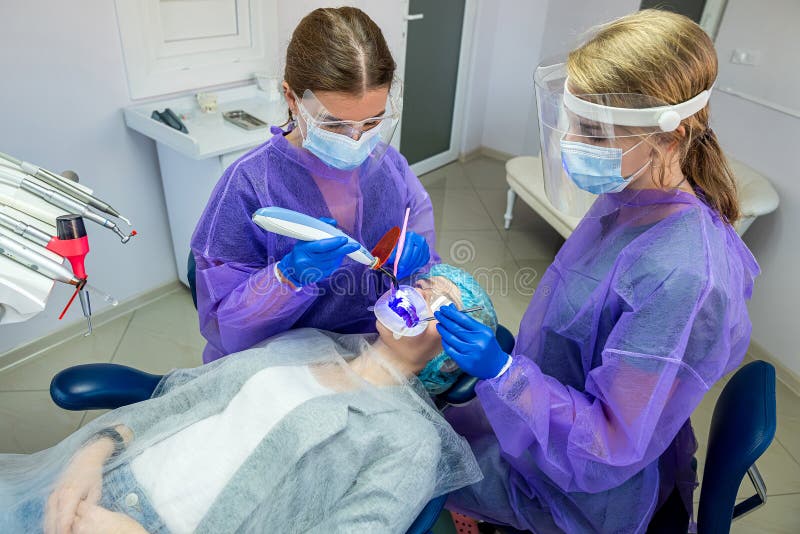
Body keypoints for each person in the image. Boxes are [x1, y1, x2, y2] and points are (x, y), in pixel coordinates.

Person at [434, 10, 760, 533]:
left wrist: (503, 373)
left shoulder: (684, 277)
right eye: (572, 122)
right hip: (544, 427)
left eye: (593, 131)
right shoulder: (631, 196)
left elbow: (606, 445)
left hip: (579, 488)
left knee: (414, 459)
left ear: (669, 137)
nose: (571, 142)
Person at [0, 265, 497, 534]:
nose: (420, 299)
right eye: (423, 287)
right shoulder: (308, 344)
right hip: (94, 482)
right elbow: (181, 401)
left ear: (453, 354)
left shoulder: (409, 440)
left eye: (442, 309)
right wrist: (93, 452)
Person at [191, 7, 437, 363]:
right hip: (282, 365)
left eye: (372, 122)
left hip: (376, 355)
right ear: (291, 98)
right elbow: (224, 327)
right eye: (334, 124)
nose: (355, 140)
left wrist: (416, 263)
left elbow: (425, 265)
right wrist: (286, 278)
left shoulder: (389, 168)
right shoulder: (248, 184)